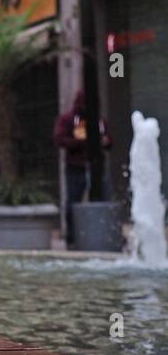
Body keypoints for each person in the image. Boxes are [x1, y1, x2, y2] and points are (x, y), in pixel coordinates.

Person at [53, 88, 111, 247]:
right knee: (73, 202)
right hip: (76, 167)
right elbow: (59, 139)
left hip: (97, 168)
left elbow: (109, 140)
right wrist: (82, 142)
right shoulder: (68, 119)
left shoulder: (99, 120)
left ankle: (102, 236)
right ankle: (71, 238)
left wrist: (103, 142)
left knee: (102, 199)